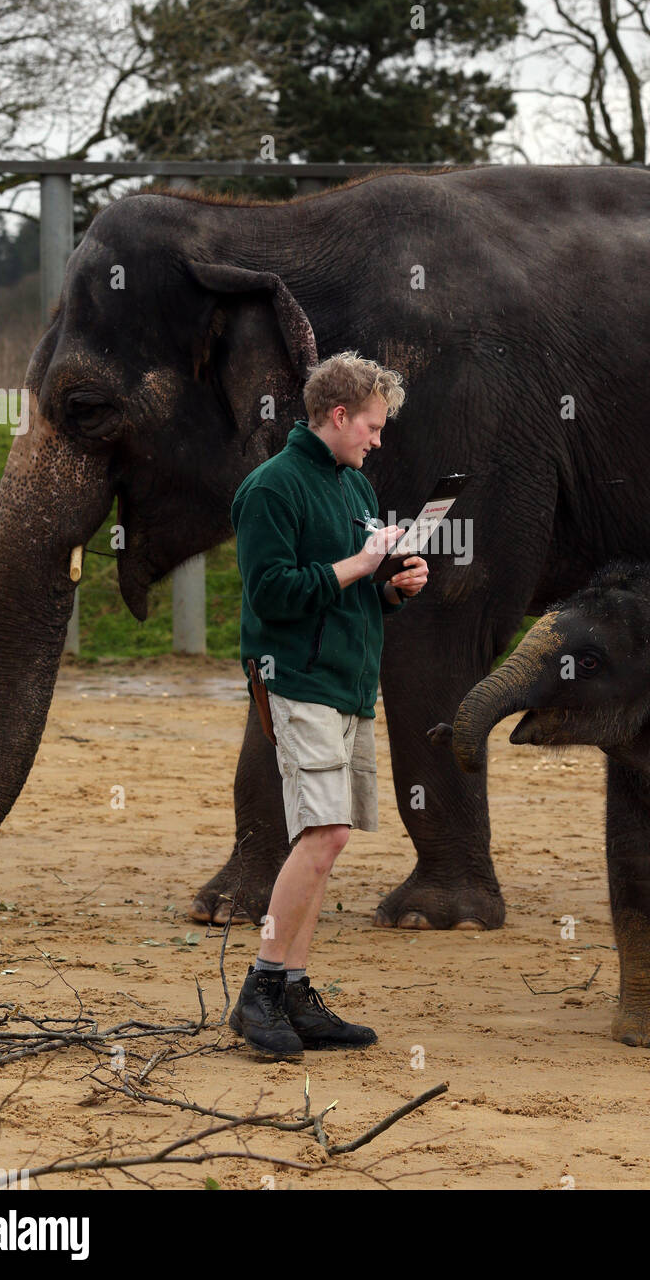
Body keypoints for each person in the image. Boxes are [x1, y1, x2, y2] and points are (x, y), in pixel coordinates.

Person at [228, 352, 429, 1061]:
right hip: (299, 680)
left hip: (350, 684)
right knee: (325, 835)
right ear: (339, 416)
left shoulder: (356, 489)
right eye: (372, 426)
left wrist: (393, 587)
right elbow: (273, 594)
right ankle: (258, 988)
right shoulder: (269, 489)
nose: (378, 440)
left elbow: (353, 590)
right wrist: (361, 565)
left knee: (329, 840)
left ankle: (293, 989)